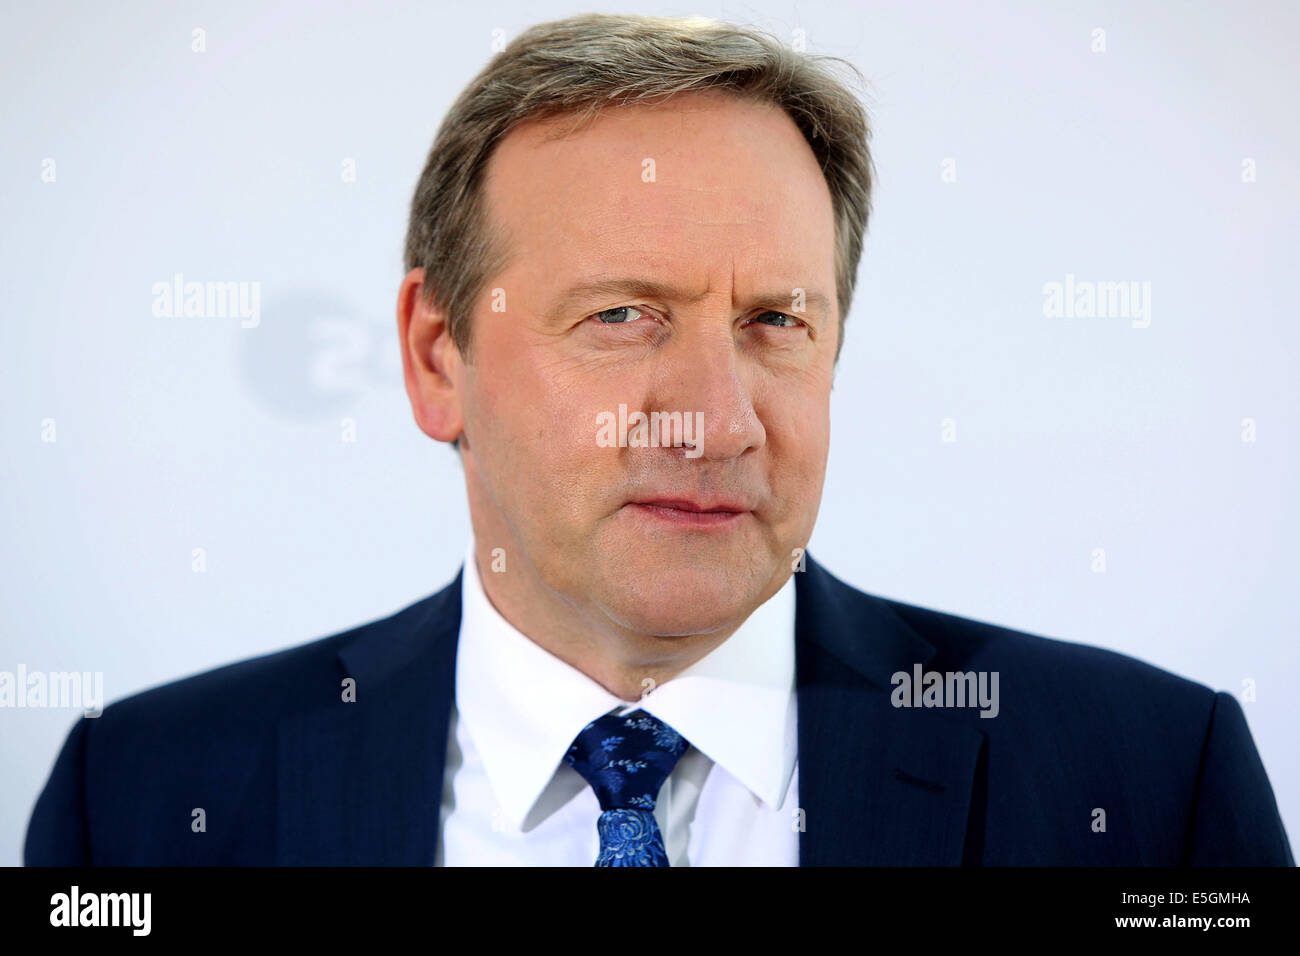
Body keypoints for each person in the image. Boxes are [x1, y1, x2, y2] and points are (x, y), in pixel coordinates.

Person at [25, 13, 1292, 867]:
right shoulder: (137, 804)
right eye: (625, 315)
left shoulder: (1145, 786)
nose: (722, 421)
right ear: (434, 356)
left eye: (774, 320)